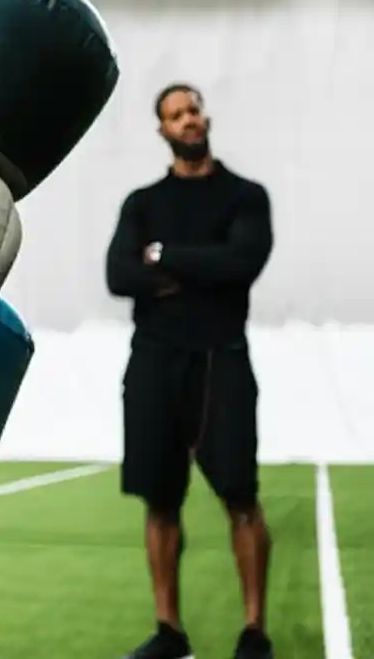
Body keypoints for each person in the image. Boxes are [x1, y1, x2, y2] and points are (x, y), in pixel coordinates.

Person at [107, 83, 274, 659]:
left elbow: (242, 263)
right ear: (163, 130)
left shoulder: (245, 196)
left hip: (221, 361)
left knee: (241, 497)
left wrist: (164, 257)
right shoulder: (142, 203)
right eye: (176, 114)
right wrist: (203, 270)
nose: (188, 119)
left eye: (194, 109)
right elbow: (118, 276)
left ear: (206, 118)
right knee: (160, 500)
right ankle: (169, 632)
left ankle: (254, 631)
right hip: (154, 363)